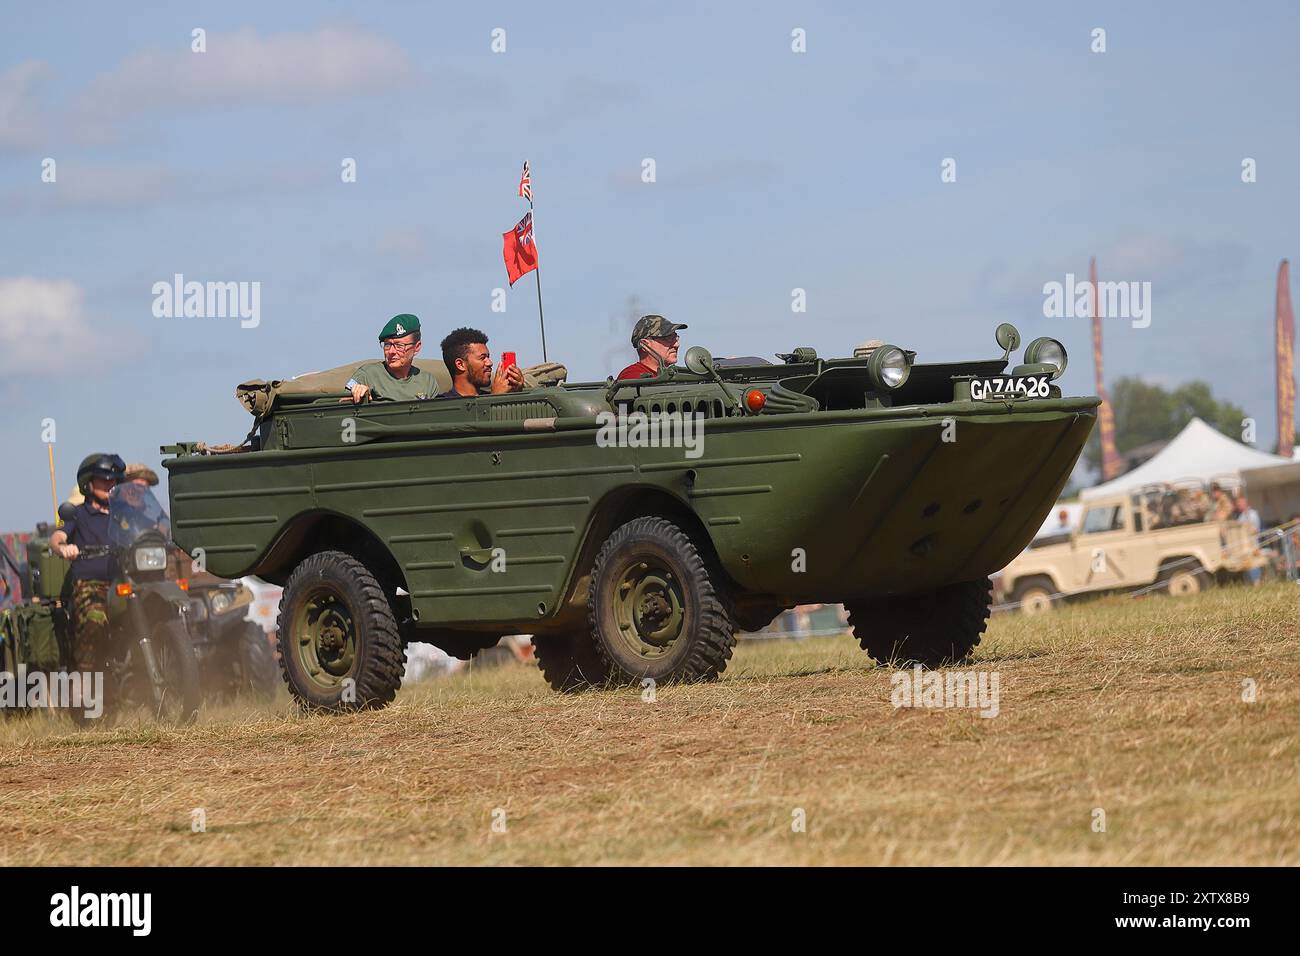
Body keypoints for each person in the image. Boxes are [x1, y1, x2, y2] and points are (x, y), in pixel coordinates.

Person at [48, 453, 124, 670]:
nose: (109, 484)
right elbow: (56, 538)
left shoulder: (123, 514)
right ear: (88, 484)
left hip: (123, 582)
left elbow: (144, 531)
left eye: (113, 479)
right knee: (94, 619)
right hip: (91, 584)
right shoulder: (78, 514)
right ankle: (85, 677)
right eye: (103, 479)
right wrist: (63, 548)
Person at [348, 314, 442, 403]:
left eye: (399, 345)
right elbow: (340, 406)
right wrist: (359, 393)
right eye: (387, 345)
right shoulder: (368, 375)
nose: (391, 351)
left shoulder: (427, 381)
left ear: (416, 347)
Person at [437, 327, 524, 398]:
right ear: (460, 365)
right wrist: (495, 399)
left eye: (488, 357)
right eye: (482, 358)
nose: (490, 363)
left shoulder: (489, 395)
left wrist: (516, 394)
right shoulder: (442, 405)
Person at [617, 314, 688, 380]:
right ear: (645, 345)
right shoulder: (632, 376)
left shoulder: (674, 375)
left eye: (675, 338)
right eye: (668, 338)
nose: (676, 344)